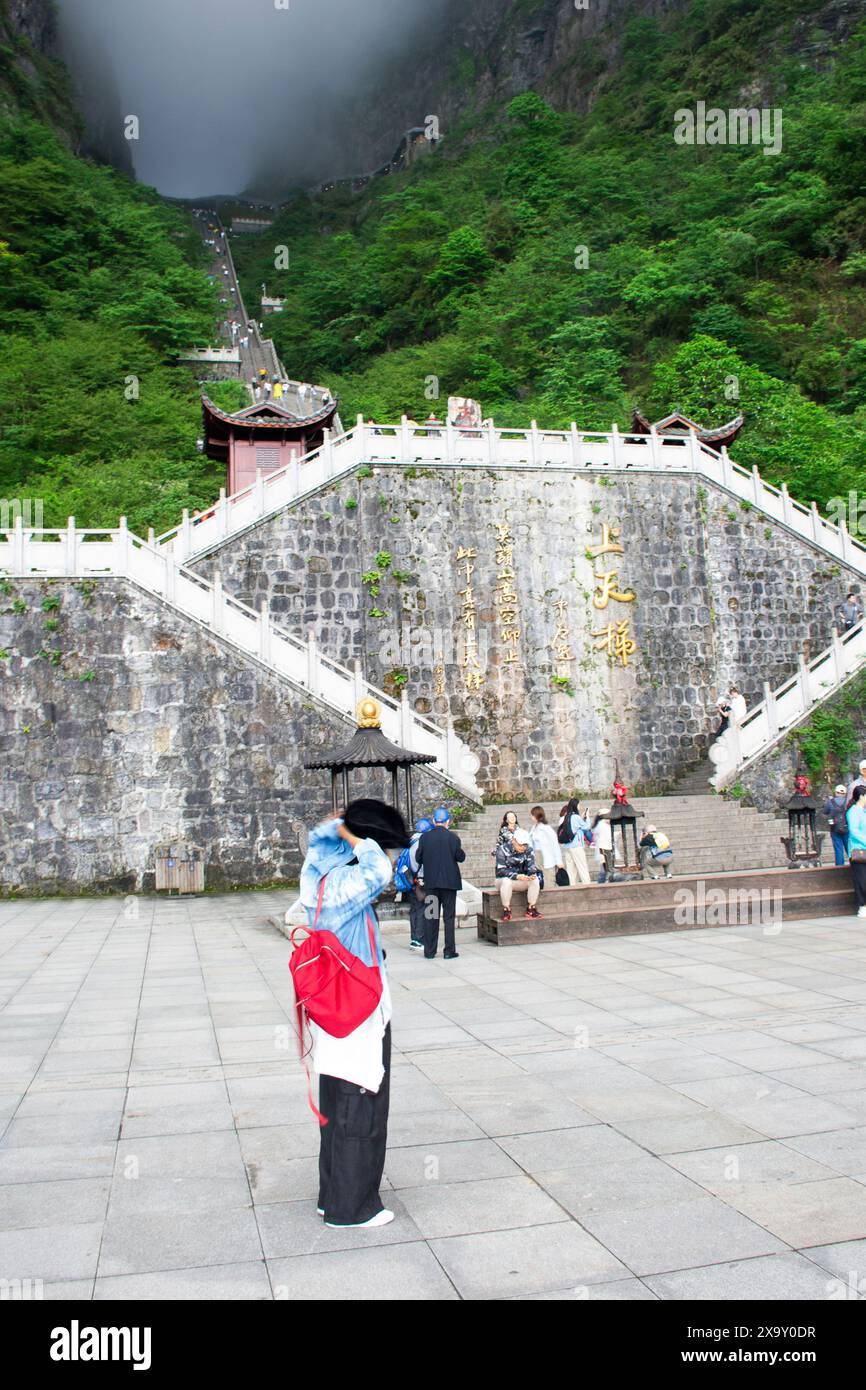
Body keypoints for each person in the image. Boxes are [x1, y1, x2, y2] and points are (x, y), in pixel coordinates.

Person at [298, 798, 410, 1229]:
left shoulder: (320, 878)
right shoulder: (349, 881)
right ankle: (352, 1206)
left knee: (338, 1095)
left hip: (336, 1004)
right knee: (361, 1097)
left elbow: (315, 850)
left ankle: (333, 1196)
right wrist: (353, 835)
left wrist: (335, 834)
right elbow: (379, 871)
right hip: (357, 1007)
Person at [415, 806, 465, 959]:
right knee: (449, 918)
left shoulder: (425, 838)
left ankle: (430, 951)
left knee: (431, 917)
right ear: (447, 821)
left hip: (431, 884)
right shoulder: (453, 838)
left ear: (434, 821)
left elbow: (418, 858)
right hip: (449, 884)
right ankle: (449, 951)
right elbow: (460, 857)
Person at [496, 826, 542, 920]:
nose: (523, 847)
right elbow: (501, 870)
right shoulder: (502, 849)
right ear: (513, 840)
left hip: (522, 879)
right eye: (520, 845)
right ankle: (506, 909)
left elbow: (531, 865)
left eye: (525, 845)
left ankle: (531, 908)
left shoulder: (528, 850)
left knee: (535, 880)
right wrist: (516, 876)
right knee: (506, 881)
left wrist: (531, 874)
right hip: (503, 880)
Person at [407, 816, 433, 949]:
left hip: (410, 879)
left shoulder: (410, 841)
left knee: (414, 909)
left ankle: (414, 938)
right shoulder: (422, 842)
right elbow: (422, 863)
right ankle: (419, 939)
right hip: (420, 879)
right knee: (423, 908)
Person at [557, 797, 592, 885]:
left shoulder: (567, 817)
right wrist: (587, 817)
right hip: (576, 847)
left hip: (567, 847)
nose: (579, 806)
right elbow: (587, 827)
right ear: (576, 805)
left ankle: (572, 888)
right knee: (582, 868)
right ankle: (589, 888)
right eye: (579, 804)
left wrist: (581, 817)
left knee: (571, 872)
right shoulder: (575, 817)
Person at [529, 806, 562, 890]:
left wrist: (558, 860)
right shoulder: (534, 828)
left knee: (549, 878)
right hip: (537, 855)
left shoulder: (546, 828)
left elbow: (555, 844)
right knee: (540, 878)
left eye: (533, 815)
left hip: (546, 856)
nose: (531, 817)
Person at [846, 784, 866, 918]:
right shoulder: (853, 811)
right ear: (862, 796)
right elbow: (854, 831)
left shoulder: (863, 812)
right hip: (858, 850)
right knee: (861, 879)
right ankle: (862, 906)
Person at [824, 784, 850, 866]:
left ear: (835, 792)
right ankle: (854, 866)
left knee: (838, 849)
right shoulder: (848, 802)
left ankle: (839, 867)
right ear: (845, 793)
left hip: (834, 828)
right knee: (849, 849)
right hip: (847, 828)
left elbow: (825, 812)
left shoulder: (830, 802)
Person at [592, 808, 614, 882]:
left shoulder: (600, 824)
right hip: (605, 849)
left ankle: (602, 883)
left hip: (603, 849)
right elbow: (608, 837)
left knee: (604, 870)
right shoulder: (602, 824)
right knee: (605, 870)